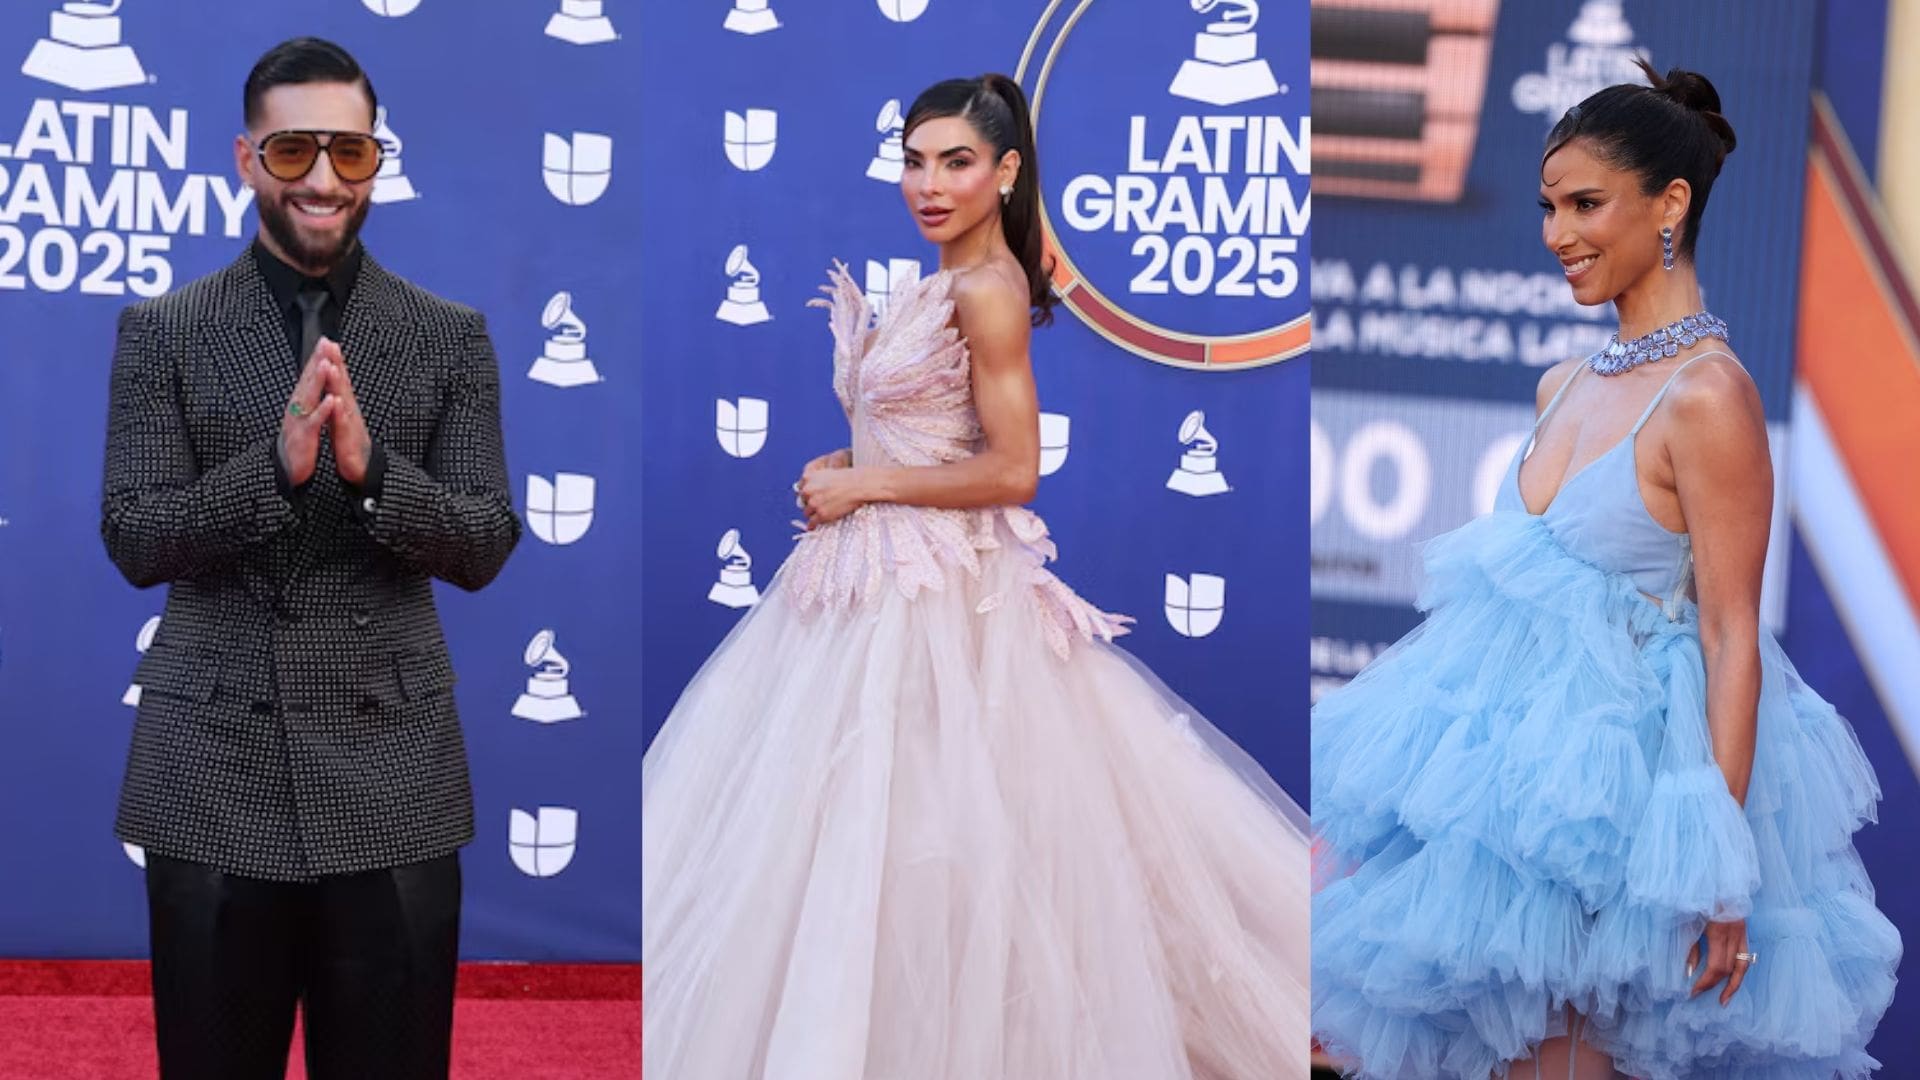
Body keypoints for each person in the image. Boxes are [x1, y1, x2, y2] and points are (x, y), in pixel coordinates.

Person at [642, 73, 1310, 1079]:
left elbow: (1014, 470)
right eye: (915, 160)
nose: (928, 182)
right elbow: (933, 434)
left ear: (1005, 172)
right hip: (868, 586)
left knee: (921, 834)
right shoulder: (944, 282)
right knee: (872, 836)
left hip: (934, 603)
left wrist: (866, 485)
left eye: (956, 162)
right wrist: (849, 462)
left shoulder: (988, 289)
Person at [1310, 61, 1899, 1079]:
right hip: (1503, 815)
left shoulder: (1711, 396)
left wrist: (1716, 868)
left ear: (1670, 204)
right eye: (1547, 207)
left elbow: (1729, 635)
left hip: (1628, 810)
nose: (1557, 234)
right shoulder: (1562, 380)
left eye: (1586, 204)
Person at [100, 37, 520, 1080]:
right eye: (294, 152)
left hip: (394, 776)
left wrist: (375, 472)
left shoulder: (448, 337)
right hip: (209, 770)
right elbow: (134, 536)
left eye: (350, 151)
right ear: (246, 159)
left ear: (378, 159)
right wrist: (273, 472)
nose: (324, 179)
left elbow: (483, 543)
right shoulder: (164, 332)